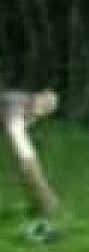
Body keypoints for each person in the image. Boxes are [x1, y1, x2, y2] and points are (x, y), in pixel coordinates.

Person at [4, 89, 59, 242]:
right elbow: (16, 136)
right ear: (37, 98)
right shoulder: (16, 104)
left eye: (47, 110)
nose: (41, 113)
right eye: (43, 106)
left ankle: (37, 216)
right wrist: (30, 165)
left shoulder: (29, 110)